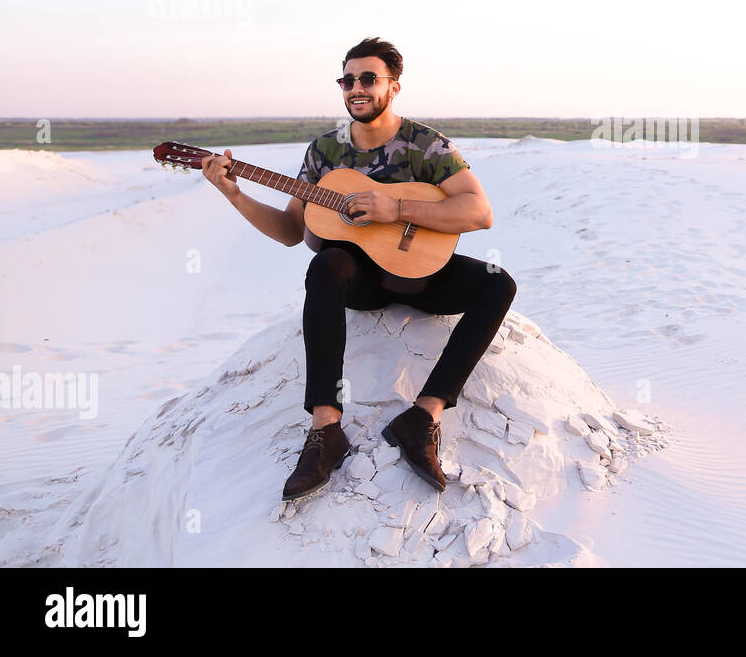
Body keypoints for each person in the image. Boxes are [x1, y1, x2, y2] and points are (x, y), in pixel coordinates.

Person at [199, 36, 517, 502]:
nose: (356, 88)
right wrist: (235, 193)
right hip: (362, 283)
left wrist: (398, 209)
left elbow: (478, 212)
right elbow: (291, 229)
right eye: (347, 80)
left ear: (394, 86)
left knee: (498, 284)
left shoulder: (425, 144)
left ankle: (422, 417)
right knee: (326, 263)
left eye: (368, 78)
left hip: (420, 274)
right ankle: (326, 429)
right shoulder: (324, 153)